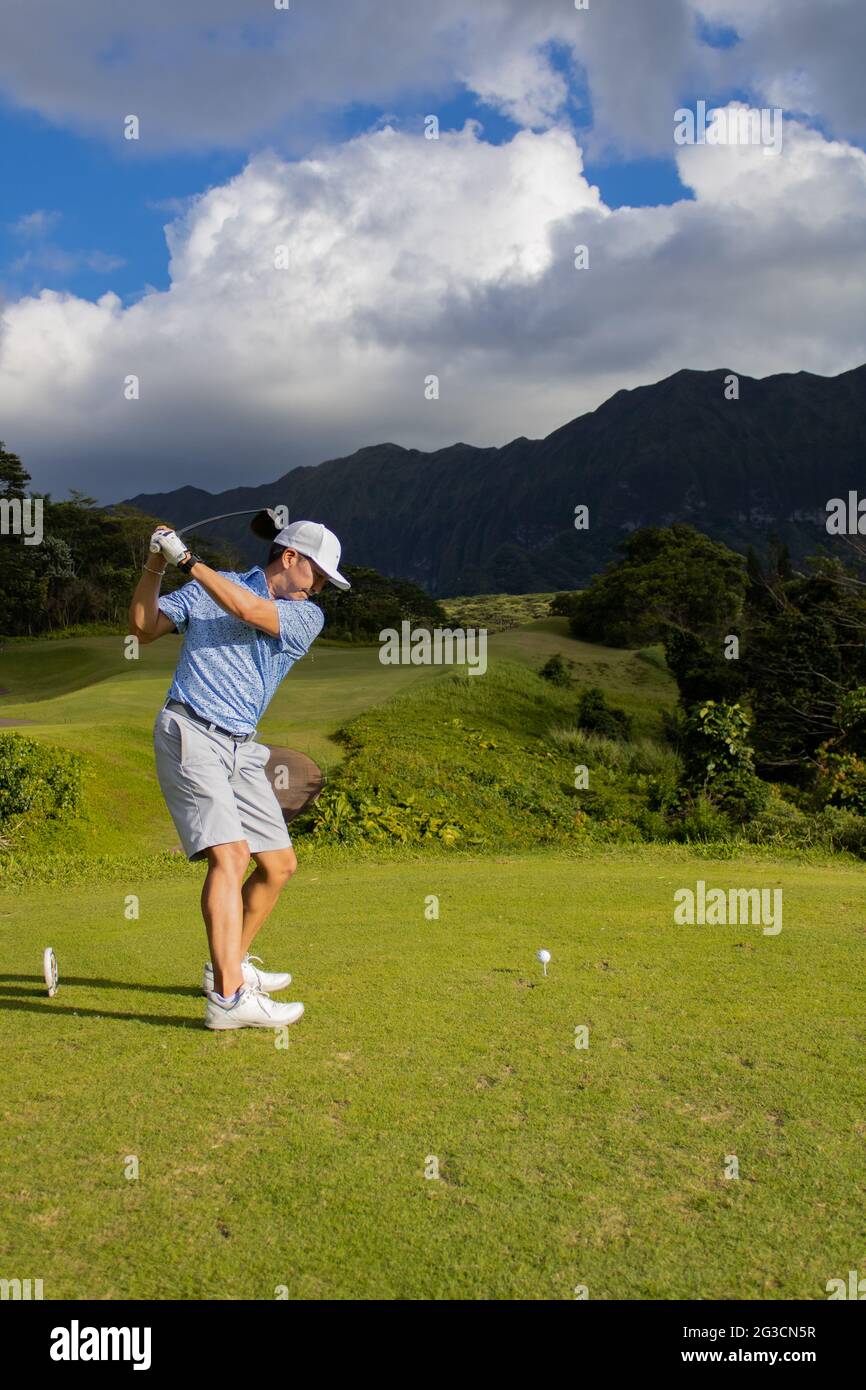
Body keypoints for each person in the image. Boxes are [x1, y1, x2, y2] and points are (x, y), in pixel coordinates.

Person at [127, 519, 350, 1031]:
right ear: (291, 557)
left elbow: (246, 609)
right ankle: (228, 999)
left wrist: (186, 560)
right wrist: (156, 565)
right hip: (191, 730)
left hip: (242, 749)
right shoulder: (211, 587)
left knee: (277, 864)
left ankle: (227, 967)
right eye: (318, 573)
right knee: (230, 855)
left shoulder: (304, 616)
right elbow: (144, 627)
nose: (320, 587)